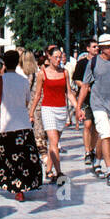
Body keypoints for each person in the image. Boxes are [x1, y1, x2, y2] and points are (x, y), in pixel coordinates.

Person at [0, 50, 41, 201]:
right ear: (17, 62)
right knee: (21, 159)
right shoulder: (23, 80)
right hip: (22, 124)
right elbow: (27, 102)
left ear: (4, 63)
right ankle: (20, 190)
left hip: (3, 125)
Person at [77, 35, 110, 186]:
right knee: (106, 134)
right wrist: (79, 106)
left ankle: (97, 161)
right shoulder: (93, 63)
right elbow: (85, 86)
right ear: (101, 47)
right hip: (97, 104)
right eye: (108, 46)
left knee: (103, 135)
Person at [30, 45, 76, 185]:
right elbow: (37, 94)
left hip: (61, 109)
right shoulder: (42, 73)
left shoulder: (65, 72)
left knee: (53, 145)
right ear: (48, 57)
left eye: (60, 57)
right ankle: (59, 173)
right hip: (48, 109)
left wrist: (77, 107)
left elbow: (68, 92)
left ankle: (48, 171)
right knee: (54, 142)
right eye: (55, 57)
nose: (58, 60)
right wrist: (31, 112)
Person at [72, 38, 99, 168]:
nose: (96, 49)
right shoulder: (82, 63)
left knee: (96, 126)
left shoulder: (100, 62)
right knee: (87, 124)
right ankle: (87, 151)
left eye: (97, 46)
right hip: (86, 97)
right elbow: (76, 79)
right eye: (94, 46)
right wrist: (85, 86)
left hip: (98, 97)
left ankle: (92, 149)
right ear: (88, 48)